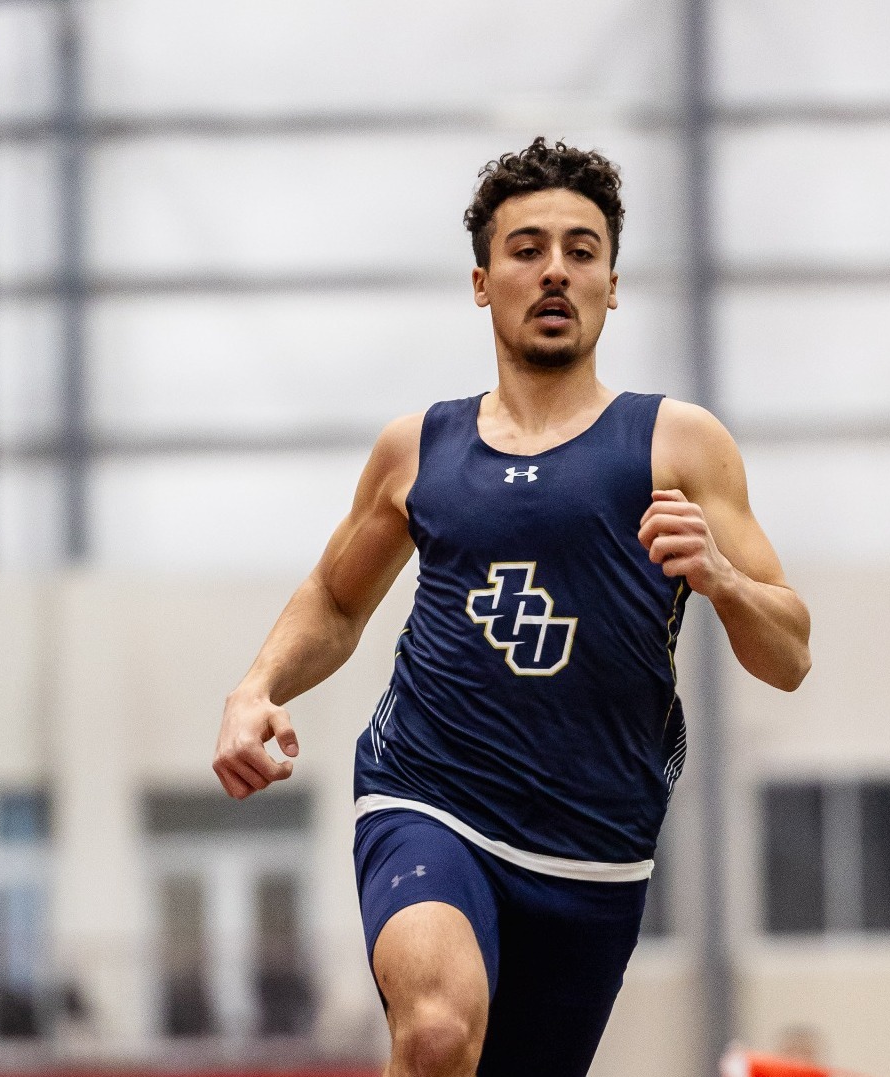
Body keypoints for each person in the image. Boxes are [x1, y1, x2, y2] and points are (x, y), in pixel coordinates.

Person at [213, 138, 811, 1076]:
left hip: (592, 848)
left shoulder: (679, 444)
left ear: (613, 284)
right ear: (483, 283)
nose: (555, 271)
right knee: (437, 1031)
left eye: (581, 250)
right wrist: (256, 687)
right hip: (430, 795)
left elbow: (790, 655)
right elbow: (334, 597)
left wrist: (723, 581)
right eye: (528, 249)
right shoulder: (419, 449)